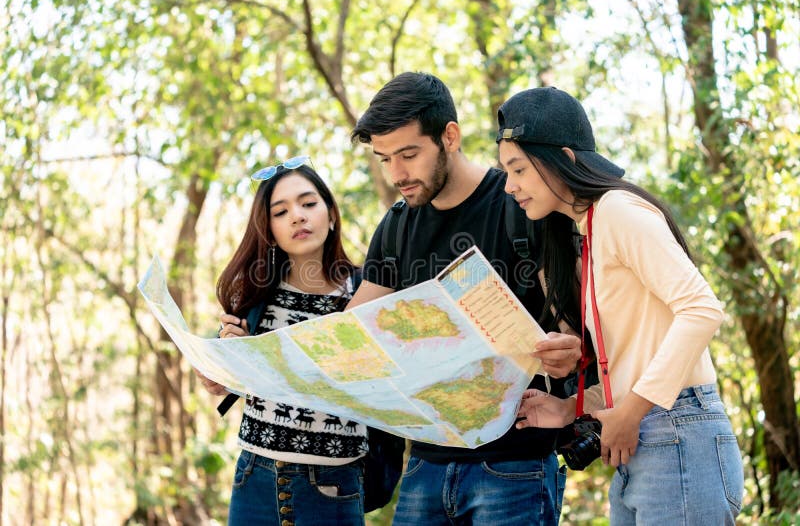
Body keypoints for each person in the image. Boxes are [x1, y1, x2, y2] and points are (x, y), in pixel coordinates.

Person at [348, 72, 584, 525]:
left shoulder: (522, 205)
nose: (397, 173)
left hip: (515, 466)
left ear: (449, 136)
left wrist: (566, 351)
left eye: (409, 154)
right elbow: (352, 327)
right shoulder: (396, 227)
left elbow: (575, 332)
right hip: (424, 467)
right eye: (384, 159)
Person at [499, 87, 744, 524]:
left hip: (676, 434)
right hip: (647, 440)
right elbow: (636, 361)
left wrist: (630, 413)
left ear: (566, 160)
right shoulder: (590, 233)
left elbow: (702, 309)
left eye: (518, 168)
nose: (509, 185)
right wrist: (570, 407)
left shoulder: (617, 210)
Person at [197, 156, 368, 526]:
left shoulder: (366, 290)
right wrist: (221, 367)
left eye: (308, 204)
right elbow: (218, 380)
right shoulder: (254, 292)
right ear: (269, 229)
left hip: (332, 485)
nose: (297, 216)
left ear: (331, 213)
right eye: (281, 211)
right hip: (253, 479)